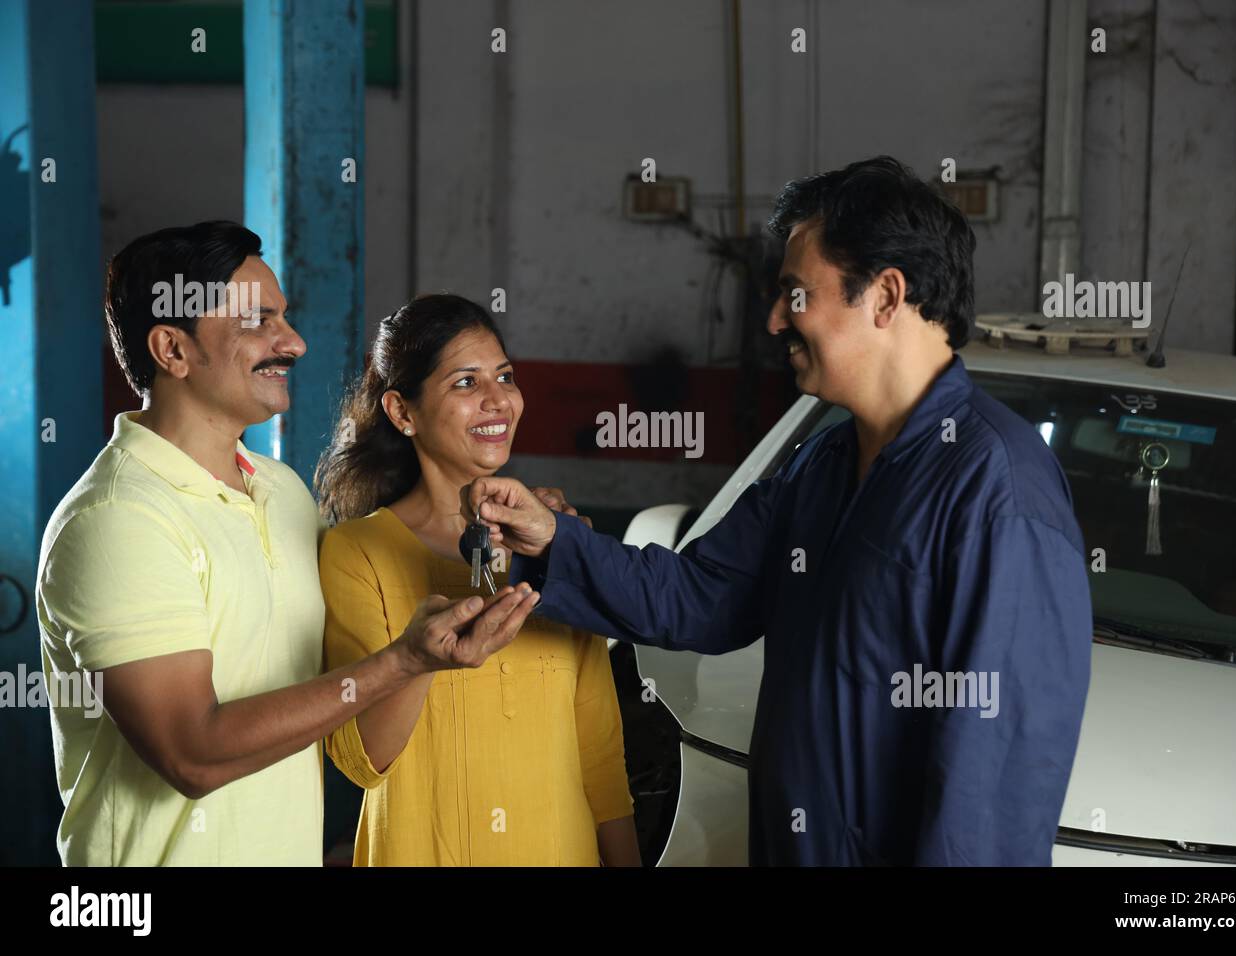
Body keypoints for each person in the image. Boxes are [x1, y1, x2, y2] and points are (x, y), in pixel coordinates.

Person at [461, 158, 1095, 866]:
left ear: (886, 297)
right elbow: (701, 595)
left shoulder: (996, 493)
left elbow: (992, 797)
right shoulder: (823, 467)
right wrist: (550, 540)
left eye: (796, 295)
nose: (773, 320)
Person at [35, 222, 537, 866]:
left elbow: (373, 582)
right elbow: (192, 753)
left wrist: (504, 525)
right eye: (257, 321)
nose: (292, 342)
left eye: (285, 317)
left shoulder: (280, 491)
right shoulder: (117, 519)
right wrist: (403, 663)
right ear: (172, 349)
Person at [314, 294, 639, 866]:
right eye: (465, 383)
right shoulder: (358, 553)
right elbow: (363, 759)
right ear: (402, 412)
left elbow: (601, 753)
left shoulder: (554, 539)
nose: (499, 401)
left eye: (505, 377)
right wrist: (420, 660)